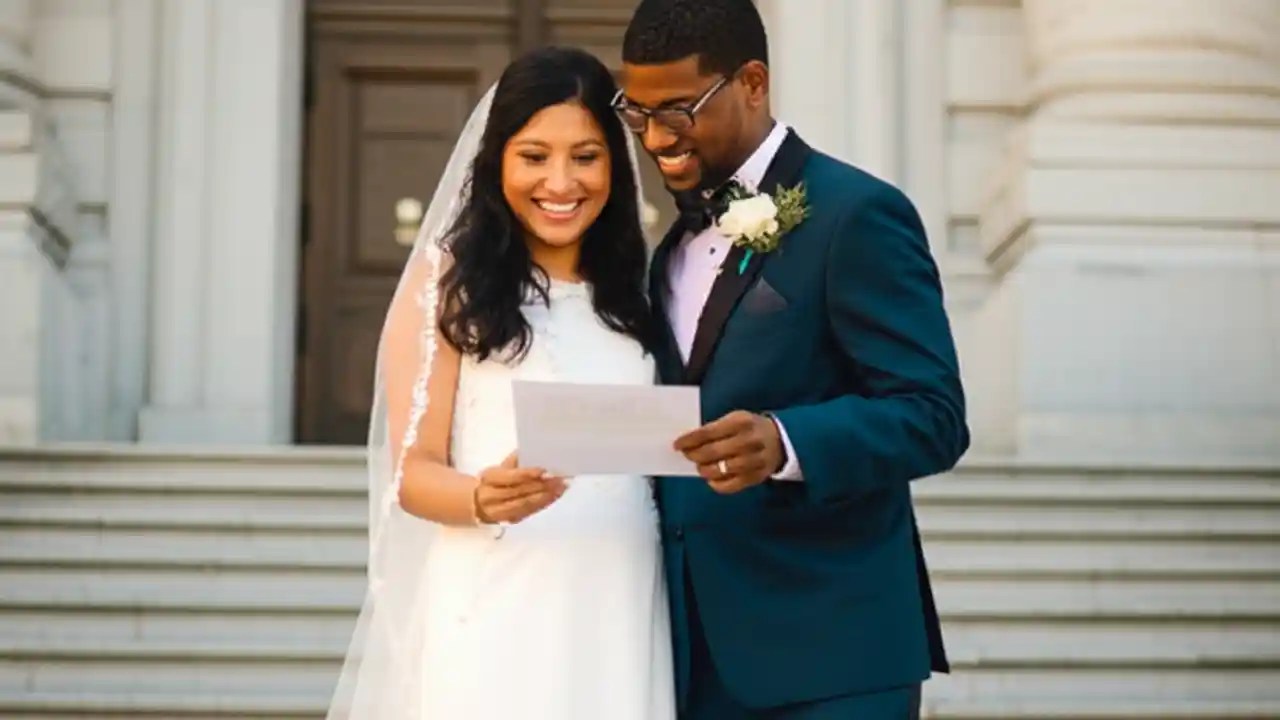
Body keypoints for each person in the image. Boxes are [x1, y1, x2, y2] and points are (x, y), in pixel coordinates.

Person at [617, 0, 970, 718]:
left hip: (832, 653)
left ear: (752, 83)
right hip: (692, 656)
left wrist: (785, 441)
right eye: (638, 113)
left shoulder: (857, 213)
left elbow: (934, 416)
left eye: (678, 111)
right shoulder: (669, 252)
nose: (656, 138)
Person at [325, 46, 676, 720]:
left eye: (586, 156)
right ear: (497, 162)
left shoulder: (642, 289)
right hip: (500, 596)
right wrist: (482, 496)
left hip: (621, 599)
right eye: (534, 156)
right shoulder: (446, 283)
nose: (561, 182)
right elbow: (412, 472)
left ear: (615, 163)